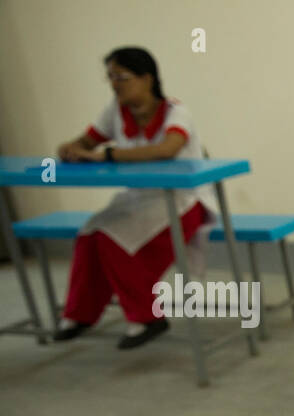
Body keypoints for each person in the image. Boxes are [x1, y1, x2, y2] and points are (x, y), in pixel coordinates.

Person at [53, 46, 216, 349]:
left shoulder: (176, 112)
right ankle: (79, 314)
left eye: (122, 77)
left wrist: (107, 155)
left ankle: (146, 316)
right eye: (110, 77)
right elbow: (87, 140)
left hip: (182, 202)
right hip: (137, 200)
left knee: (113, 240)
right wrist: (71, 148)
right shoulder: (115, 112)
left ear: (147, 79)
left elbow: (167, 149)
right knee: (89, 235)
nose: (115, 84)